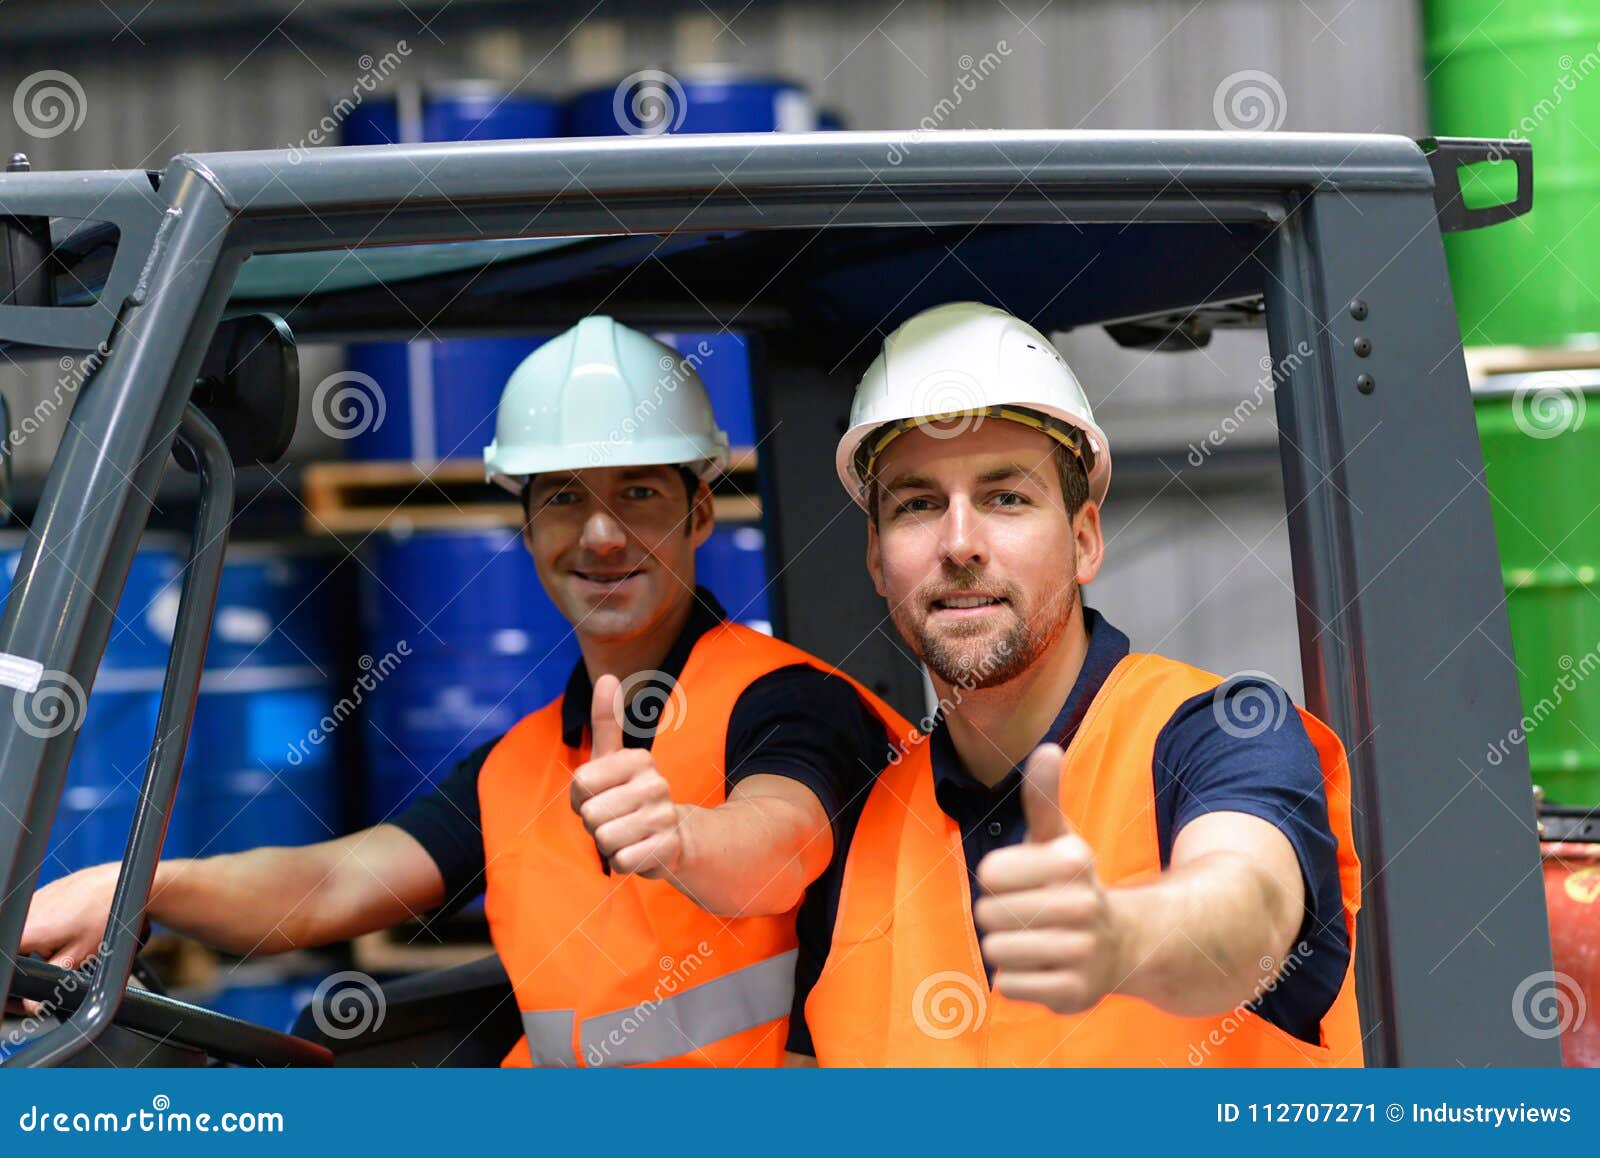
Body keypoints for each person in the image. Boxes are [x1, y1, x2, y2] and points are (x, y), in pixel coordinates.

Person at [19, 316, 906, 1068]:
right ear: (526, 529)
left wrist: (683, 836)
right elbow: (330, 886)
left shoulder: (788, 703)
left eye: (638, 493)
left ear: (699, 514)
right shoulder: (519, 769)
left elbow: (780, 840)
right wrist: (141, 886)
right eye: (563, 497)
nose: (600, 533)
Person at [786, 301, 1364, 1067]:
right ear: (875, 556)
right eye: (919, 505)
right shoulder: (860, 824)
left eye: (1005, 498)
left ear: (1085, 539)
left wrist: (1122, 936)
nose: (960, 544)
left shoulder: (1220, 736)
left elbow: (1247, 905)